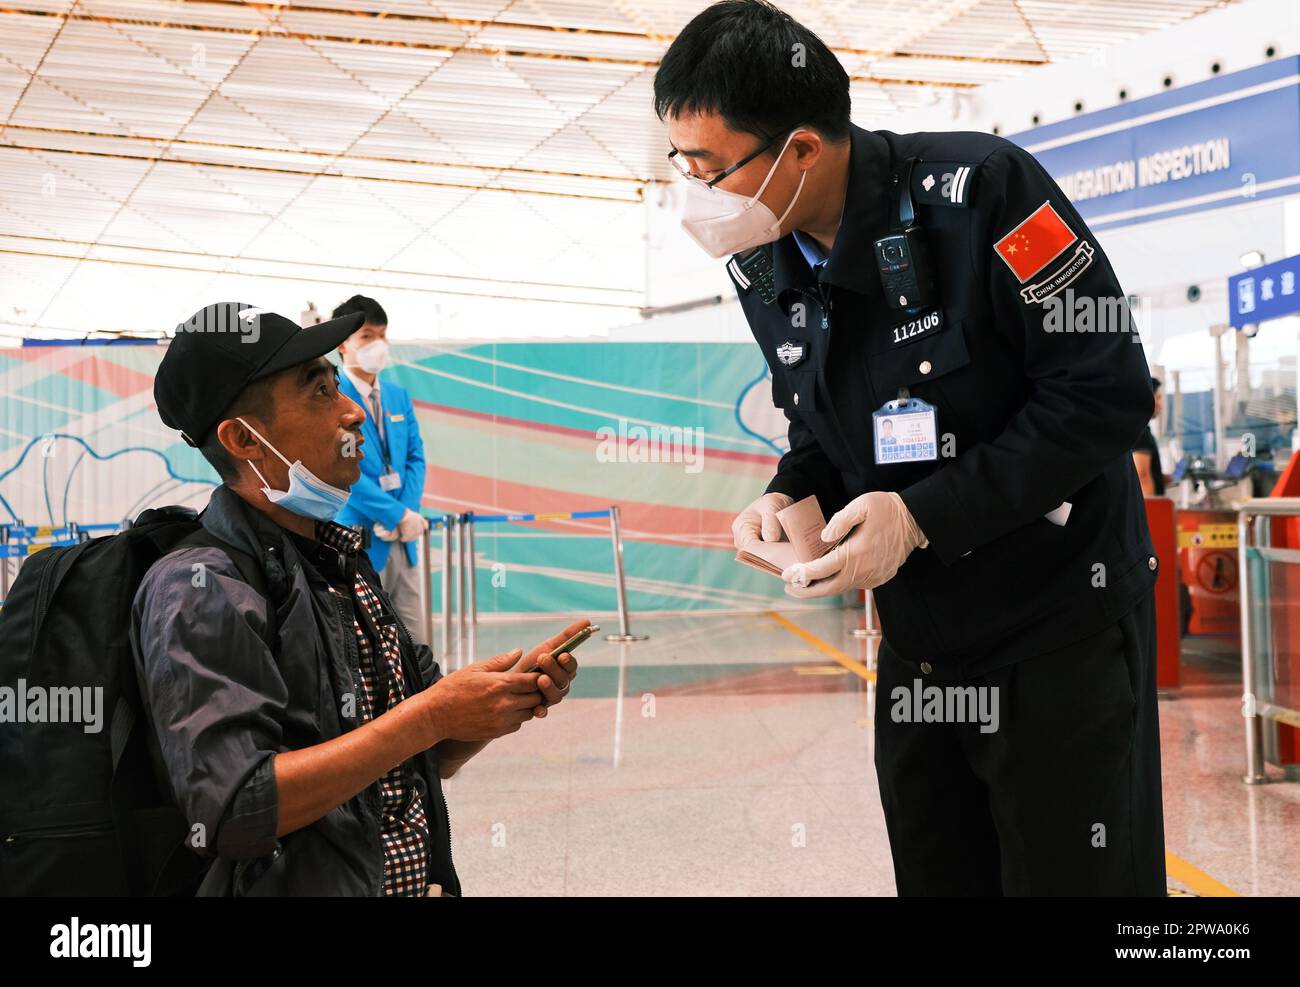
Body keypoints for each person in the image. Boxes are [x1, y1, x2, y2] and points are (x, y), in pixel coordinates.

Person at [657, 0, 1165, 895]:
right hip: (920, 648)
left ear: (801, 149)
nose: (694, 193)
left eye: (708, 167)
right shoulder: (762, 260)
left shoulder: (984, 192)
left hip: (1058, 633)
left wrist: (923, 516)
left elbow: (1105, 390)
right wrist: (787, 493)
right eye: (679, 164)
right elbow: (815, 420)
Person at [132, 301, 584, 895]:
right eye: (320, 392)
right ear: (244, 438)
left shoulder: (342, 564)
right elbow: (234, 808)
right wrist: (431, 714)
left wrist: (488, 708)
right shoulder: (204, 588)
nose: (353, 413)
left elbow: (410, 760)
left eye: (339, 385)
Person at [329, 294, 432, 646]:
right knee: (366, 645)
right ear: (344, 343)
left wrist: (406, 512)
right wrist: (394, 513)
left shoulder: (396, 395)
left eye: (383, 335)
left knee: (416, 643)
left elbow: (415, 457)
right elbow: (343, 467)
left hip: (403, 539)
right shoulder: (332, 397)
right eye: (367, 336)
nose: (378, 345)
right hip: (360, 538)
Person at [1133, 376, 1168, 496]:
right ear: (1146, 398)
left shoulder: (1137, 428)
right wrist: (1151, 511)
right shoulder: (1142, 433)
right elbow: (1142, 475)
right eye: (1158, 398)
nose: (1160, 405)